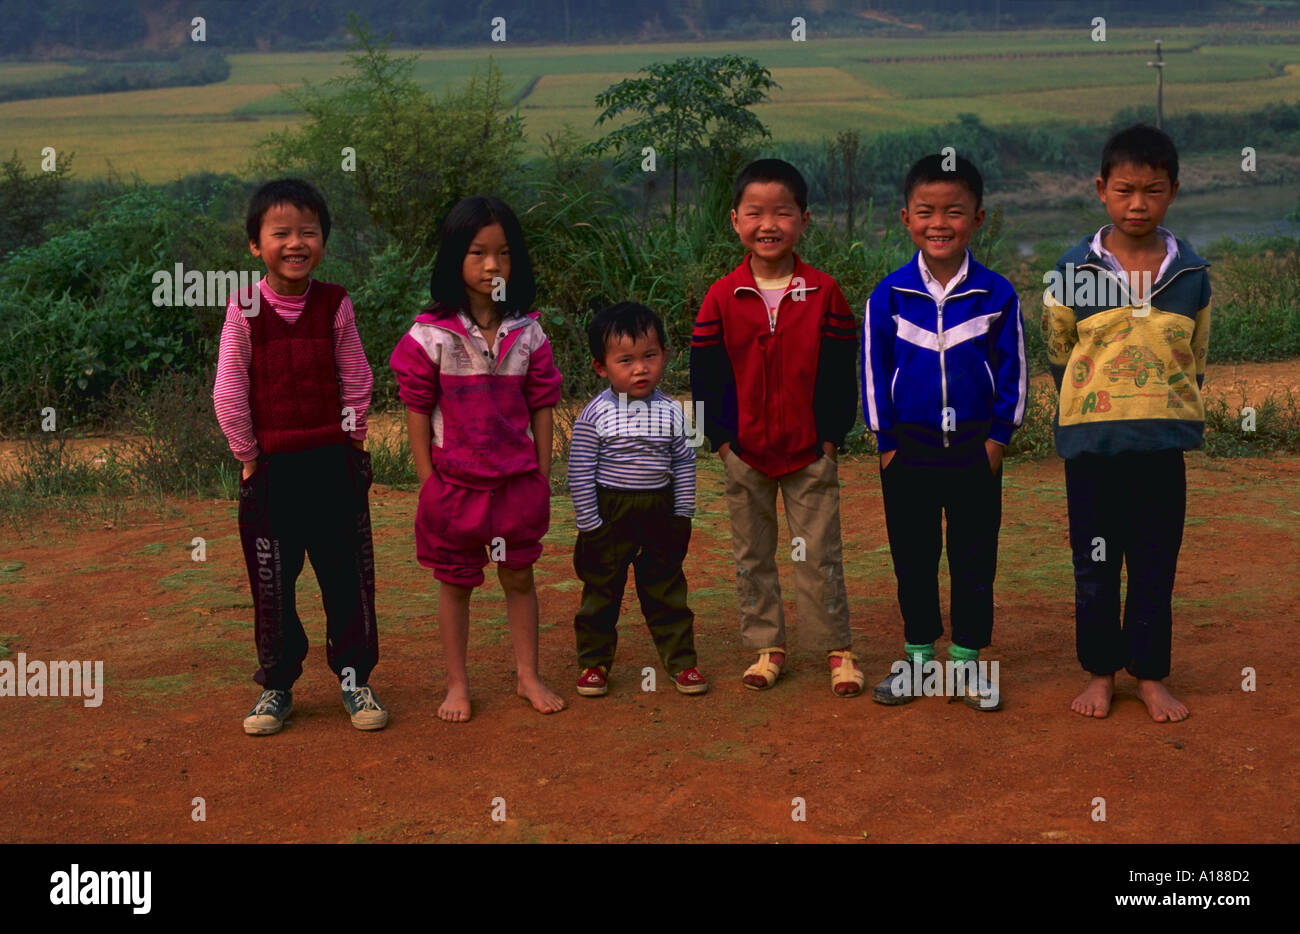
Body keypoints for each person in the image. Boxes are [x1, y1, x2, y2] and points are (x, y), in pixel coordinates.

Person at [1042, 124, 1210, 723]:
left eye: (1153, 191)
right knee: (1095, 564)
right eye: (1125, 190)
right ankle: (1099, 673)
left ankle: (1150, 677)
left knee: (1155, 563)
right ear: (1101, 190)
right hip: (1093, 449)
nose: (1138, 204)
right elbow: (1059, 350)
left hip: (1163, 448)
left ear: (1173, 191)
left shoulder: (1190, 273)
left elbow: (1197, 356)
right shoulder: (1070, 270)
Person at [214, 178, 386, 736]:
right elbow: (228, 388)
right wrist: (247, 454)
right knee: (272, 582)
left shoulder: (334, 303)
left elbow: (356, 377)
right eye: (280, 233)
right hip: (270, 474)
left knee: (347, 579)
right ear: (254, 246)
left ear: (323, 242)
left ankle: (355, 679)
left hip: (333, 467)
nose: (295, 243)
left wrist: (353, 440)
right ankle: (277, 686)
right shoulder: (243, 307)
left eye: (307, 232)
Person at [690, 158, 863, 696]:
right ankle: (768, 647)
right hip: (744, 454)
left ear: (803, 220)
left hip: (809, 453)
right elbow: (706, 379)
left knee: (819, 553)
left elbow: (840, 375)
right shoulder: (722, 296)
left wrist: (830, 441)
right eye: (755, 213)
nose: (769, 224)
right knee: (752, 554)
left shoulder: (824, 292)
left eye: (782, 213)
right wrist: (722, 444)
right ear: (735, 220)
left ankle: (836, 649)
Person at [389, 195, 565, 722]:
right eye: (478, 253)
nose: (493, 265)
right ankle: (456, 685)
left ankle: (527, 675)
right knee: (455, 583)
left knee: (519, 576)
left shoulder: (528, 332)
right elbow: (417, 410)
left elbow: (543, 405)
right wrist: (428, 482)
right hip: (454, 487)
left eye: (504, 253)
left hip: (516, 484)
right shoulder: (429, 336)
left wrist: (541, 475)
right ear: (453, 259)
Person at [862, 154, 1026, 711]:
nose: (939, 223)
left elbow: (1013, 374)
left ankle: (965, 662)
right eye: (926, 211)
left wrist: (998, 440)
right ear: (905, 218)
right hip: (908, 450)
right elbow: (872, 374)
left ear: (978, 219)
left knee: (975, 555)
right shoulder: (888, 295)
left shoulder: (996, 294)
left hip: (976, 450)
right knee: (913, 555)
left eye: (954, 212)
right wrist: (886, 444)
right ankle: (916, 659)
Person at [568, 302, 706, 697]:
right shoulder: (594, 415)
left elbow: (684, 462)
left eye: (649, 356)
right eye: (625, 360)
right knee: (601, 592)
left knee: (666, 590)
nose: (640, 368)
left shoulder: (676, 413)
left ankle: (683, 663)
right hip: (609, 514)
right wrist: (590, 524)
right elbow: (579, 473)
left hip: (661, 514)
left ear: (664, 354)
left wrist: (683, 513)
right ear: (601, 367)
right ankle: (593, 664)